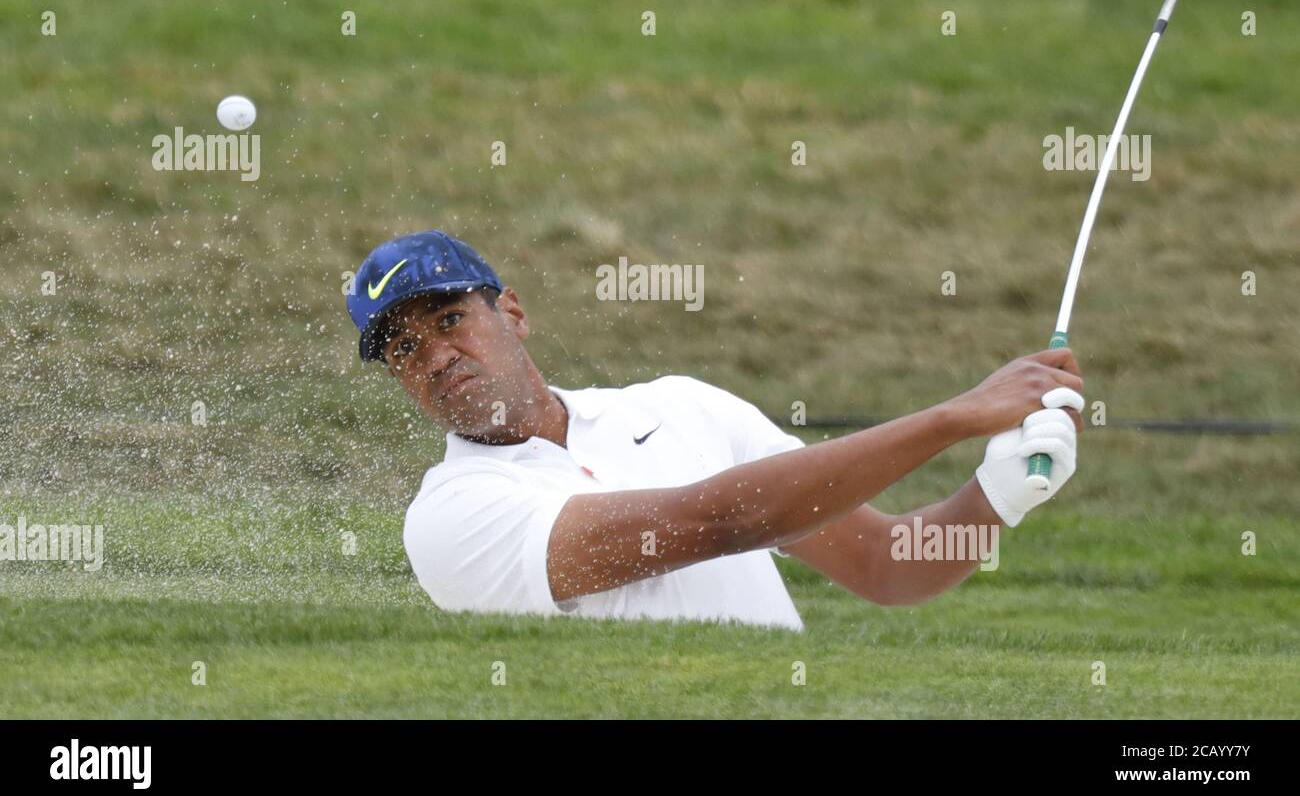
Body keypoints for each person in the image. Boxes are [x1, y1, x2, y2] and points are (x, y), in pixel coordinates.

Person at [346, 229, 1084, 632]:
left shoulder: (680, 406)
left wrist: (995, 497)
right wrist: (955, 416)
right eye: (405, 350)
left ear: (511, 312)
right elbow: (726, 519)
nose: (437, 357)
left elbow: (888, 564)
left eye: (450, 321)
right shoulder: (451, 515)